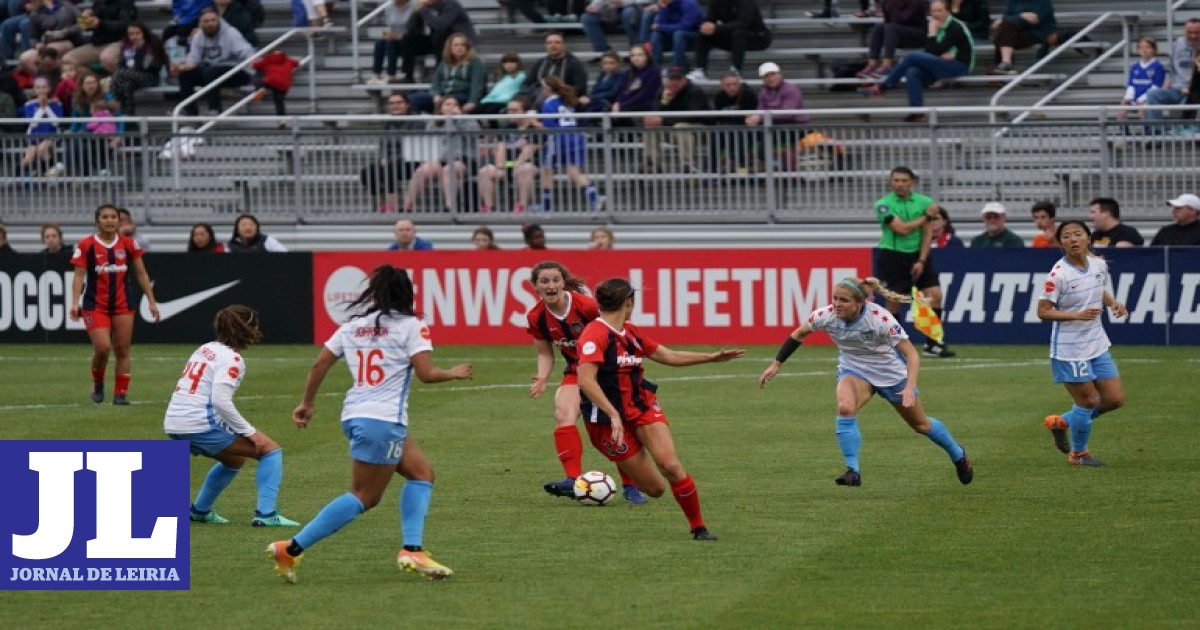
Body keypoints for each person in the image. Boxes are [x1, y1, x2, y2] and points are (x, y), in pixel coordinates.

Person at [268, 265, 473, 583]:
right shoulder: (411, 325)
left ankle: (413, 549)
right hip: (383, 420)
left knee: (422, 473)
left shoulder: (353, 325)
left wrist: (306, 403)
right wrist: (453, 373)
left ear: (374, 293)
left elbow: (320, 363)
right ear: (407, 293)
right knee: (364, 496)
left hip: (356, 415)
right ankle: (291, 549)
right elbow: (426, 374)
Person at [758, 276, 974, 487]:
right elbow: (798, 334)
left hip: (891, 374)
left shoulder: (880, 318)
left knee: (921, 425)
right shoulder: (825, 315)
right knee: (845, 408)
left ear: (860, 302)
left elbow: (912, 355)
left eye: (844, 300)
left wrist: (909, 387)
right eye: (835, 298)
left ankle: (958, 454)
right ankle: (853, 471)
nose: (836, 304)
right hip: (855, 370)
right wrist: (777, 364)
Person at [576, 277, 744, 539]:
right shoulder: (594, 334)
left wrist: (711, 358)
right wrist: (613, 414)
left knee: (671, 466)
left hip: (642, 406)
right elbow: (585, 379)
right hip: (605, 422)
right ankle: (631, 461)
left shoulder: (631, 332)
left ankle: (698, 527)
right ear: (629, 302)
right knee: (655, 489)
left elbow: (667, 355)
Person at [164, 305, 300, 527]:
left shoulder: (205, 348)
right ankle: (266, 515)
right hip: (199, 424)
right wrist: (250, 432)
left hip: (174, 422)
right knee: (270, 451)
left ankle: (200, 510)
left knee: (234, 459)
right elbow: (220, 400)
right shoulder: (232, 359)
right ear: (247, 329)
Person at [525, 262, 645, 504]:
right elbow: (545, 353)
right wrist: (543, 376)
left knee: (613, 425)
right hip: (576, 370)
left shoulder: (586, 306)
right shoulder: (536, 316)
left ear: (563, 282)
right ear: (535, 286)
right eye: (544, 281)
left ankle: (631, 485)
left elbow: (617, 328)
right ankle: (572, 480)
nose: (551, 285)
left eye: (555, 280)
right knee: (564, 413)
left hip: (608, 371)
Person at [1037, 220, 1128, 467]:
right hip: (1071, 350)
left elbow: (1097, 289)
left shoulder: (1098, 264)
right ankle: (1078, 454)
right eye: (1066, 236)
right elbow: (1043, 311)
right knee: (1087, 401)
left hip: (1097, 343)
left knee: (1114, 399)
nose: (1073, 239)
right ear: (1061, 243)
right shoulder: (1058, 274)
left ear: (1088, 238)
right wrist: (1075, 315)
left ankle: (1062, 422)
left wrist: (1113, 303)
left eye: (1078, 234)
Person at [68, 203, 160, 405]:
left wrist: (152, 301)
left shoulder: (129, 244)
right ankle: (98, 383)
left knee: (122, 349)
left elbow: (141, 273)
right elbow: (78, 276)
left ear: (118, 221)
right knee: (102, 347)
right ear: (97, 221)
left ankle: (120, 394)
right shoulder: (86, 245)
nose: (109, 220)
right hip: (95, 305)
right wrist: (75, 303)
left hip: (123, 305)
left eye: (113, 217)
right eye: (105, 217)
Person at [872, 166, 955, 357]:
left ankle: (933, 344)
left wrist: (922, 260)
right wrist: (926, 216)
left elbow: (927, 233)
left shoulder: (924, 202)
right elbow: (901, 229)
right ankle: (893, 345)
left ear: (912, 182)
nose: (900, 184)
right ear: (890, 182)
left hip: (918, 255)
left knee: (935, 295)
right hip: (892, 255)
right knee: (894, 301)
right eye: (896, 180)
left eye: (904, 180)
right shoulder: (883, 204)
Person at [865, 1, 975, 123]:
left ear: (948, 11)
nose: (936, 14)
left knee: (912, 56)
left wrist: (932, 34)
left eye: (940, 11)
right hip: (942, 63)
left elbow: (936, 50)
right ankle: (917, 112)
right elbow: (930, 50)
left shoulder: (955, 27)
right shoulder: (936, 25)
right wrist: (936, 44)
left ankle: (884, 86)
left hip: (960, 66)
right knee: (912, 72)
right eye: (933, 11)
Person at [537, 76, 605, 212]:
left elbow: (549, 126)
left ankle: (546, 206)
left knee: (547, 171)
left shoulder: (549, 103)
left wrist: (533, 121)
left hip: (559, 139)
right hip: (575, 136)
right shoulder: (565, 101)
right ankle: (594, 196)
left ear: (547, 89)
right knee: (574, 171)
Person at [403, 96, 480, 213]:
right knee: (422, 171)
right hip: (440, 159)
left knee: (449, 170)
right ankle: (407, 206)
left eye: (455, 105)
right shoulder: (433, 124)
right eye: (448, 104)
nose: (452, 107)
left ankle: (450, 207)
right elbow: (430, 143)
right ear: (440, 109)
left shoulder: (467, 120)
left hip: (464, 159)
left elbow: (476, 133)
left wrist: (458, 119)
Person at [171, 8, 254, 116]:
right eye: (206, 21)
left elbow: (246, 51)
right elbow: (193, 59)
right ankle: (190, 112)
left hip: (237, 71)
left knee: (210, 72)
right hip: (211, 72)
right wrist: (181, 68)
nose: (210, 24)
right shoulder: (198, 36)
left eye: (213, 20)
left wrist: (253, 63)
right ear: (201, 23)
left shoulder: (230, 33)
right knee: (186, 74)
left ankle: (214, 110)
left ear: (219, 20)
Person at [362, 93, 425, 213]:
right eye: (391, 103)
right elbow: (383, 144)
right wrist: (383, 157)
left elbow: (414, 145)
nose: (395, 106)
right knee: (367, 172)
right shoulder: (387, 122)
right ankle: (382, 205)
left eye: (399, 102)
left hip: (410, 160)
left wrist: (394, 159)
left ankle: (393, 207)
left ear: (407, 105)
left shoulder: (416, 122)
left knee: (390, 169)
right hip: (390, 160)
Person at [643, 64, 709, 175]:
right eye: (671, 78)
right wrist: (664, 102)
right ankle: (652, 164)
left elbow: (693, 116)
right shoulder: (662, 91)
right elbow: (656, 114)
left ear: (685, 79)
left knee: (681, 127)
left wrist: (664, 121)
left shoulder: (695, 91)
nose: (674, 82)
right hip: (674, 129)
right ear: (666, 80)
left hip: (702, 130)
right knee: (651, 127)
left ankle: (688, 165)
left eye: (678, 78)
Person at [477, 96, 540, 213]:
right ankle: (489, 207)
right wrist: (500, 167)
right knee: (485, 171)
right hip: (508, 165)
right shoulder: (506, 128)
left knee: (525, 169)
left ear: (525, 112)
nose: (511, 114)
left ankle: (522, 206)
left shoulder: (535, 129)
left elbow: (529, 150)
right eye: (509, 110)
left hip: (529, 164)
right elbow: (500, 148)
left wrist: (517, 166)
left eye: (515, 110)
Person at [400, 0, 479, 86]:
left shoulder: (451, 5)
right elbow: (411, 28)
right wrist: (416, 10)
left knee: (440, 36)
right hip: (438, 42)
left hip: (460, 42)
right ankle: (408, 76)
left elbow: (440, 26)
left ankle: (441, 75)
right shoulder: (427, 8)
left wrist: (423, 10)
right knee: (408, 39)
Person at [690, 0, 771, 81]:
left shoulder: (746, 2)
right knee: (704, 33)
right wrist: (707, 26)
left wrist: (716, 28)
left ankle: (736, 70)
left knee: (739, 33)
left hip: (758, 37)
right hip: (732, 37)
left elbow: (744, 23)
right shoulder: (716, 2)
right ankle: (700, 70)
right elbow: (710, 19)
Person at [408, 32, 486, 114]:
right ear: (450, 48)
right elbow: (435, 83)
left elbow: (477, 85)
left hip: (463, 95)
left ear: (467, 48)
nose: (459, 48)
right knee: (411, 100)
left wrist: (472, 101)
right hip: (443, 94)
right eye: (456, 45)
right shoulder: (444, 63)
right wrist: (435, 95)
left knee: (447, 101)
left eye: (463, 45)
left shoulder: (475, 63)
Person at [1144, 19, 1200, 128]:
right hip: (1176, 89)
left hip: (1195, 92)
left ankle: (1191, 132)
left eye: (1197, 33)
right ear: (1184, 31)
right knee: (1152, 95)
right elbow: (1170, 66)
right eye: (1189, 32)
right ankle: (1157, 133)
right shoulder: (1178, 44)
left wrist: (1190, 88)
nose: (1193, 36)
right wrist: (1168, 81)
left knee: (1191, 102)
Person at [859, 0, 929, 80]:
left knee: (890, 27)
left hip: (918, 36)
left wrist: (893, 3)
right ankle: (873, 63)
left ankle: (887, 64)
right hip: (898, 34)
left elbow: (900, 19)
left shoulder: (916, 2)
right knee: (878, 28)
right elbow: (887, 21)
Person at [109, 22, 166, 116]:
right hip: (129, 78)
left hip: (149, 76)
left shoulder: (152, 44)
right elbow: (121, 65)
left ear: (144, 33)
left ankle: (117, 103)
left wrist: (140, 50)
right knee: (126, 85)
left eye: (137, 33)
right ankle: (129, 117)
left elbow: (144, 67)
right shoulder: (126, 45)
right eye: (131, 34)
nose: (134, 37)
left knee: (117, 75)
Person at [521, 31, 589, 106]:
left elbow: (580, 87)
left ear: (564, 45)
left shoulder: (574, 64)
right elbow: (526, 84)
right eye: (549, 43)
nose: (553, 45)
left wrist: (557, 93)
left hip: (563, 100)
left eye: (557, 42)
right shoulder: (540, 63)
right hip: (538, 97)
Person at [990, 0, 1057, 75]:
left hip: (1038, 32)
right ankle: (1005, 66)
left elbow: (1034, 20)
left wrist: (1013, 18)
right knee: (1004, 31)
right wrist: (1020, 16)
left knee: (1003, 33)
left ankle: (1005, 65)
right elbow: (1006, 17)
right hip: (1016, 31)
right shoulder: (1012, 2)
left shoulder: (1042, 2)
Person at [711, 70, 756, 172]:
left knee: (739, 136)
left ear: (739, 84)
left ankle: (742, 172)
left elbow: (749, 117)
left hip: (746, 130)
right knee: (714, 135)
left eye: (735, 84)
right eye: (728, 85)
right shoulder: (719, 97)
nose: (732, 88)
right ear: (722, 86)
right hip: (726, 128)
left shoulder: (748, 95)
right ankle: (713, 171)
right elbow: (718, 117)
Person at [1116, 37, 1166, 125]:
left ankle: (1146, 131)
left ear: (1154, 49)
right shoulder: (1135, 66)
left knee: (1143, 109)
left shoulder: (1157, 66)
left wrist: (1143, 98)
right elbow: (1131, 84)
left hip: (1148, 98)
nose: (1144, 50)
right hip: (1135, 97)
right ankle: (1124, 131)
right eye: (1141, 47)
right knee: (1121, 109)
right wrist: (1128, 97)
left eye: (1147, 47)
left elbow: (1156, 86)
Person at [20, 76, 62, 177]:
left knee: (42, 148)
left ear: (49, 88)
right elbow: (33, 123)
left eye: (44, 87)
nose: (41, 90)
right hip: (33, 136)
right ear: (34, 89)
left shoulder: (57, 104)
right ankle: (20, 176)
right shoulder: (28, 105)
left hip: (51, 135)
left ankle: (49, 172)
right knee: (29, 155)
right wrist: (42, 108)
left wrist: (46, 106)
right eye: (38, 87)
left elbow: (55, 122)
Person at [644, 0, 703, 69]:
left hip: (693, 38)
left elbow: (686, 26)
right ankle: (654, 68)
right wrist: (663, 9)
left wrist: (661, 27)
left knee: (679, 34)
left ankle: (677, 67)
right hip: (674, 38)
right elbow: (660, 25)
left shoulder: (689, 3)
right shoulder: (666, 5)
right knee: (656, 35)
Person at [367, 0, 414, 85]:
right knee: (379, 42)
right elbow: (389, 27)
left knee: (390, 43)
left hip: (408, 40)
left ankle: (391, 74)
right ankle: (376, 74)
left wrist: (399, 36)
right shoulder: (389, 7)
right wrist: (386, 34)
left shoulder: (413, 6)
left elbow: (415, 28)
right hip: (394, 37)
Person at [580, 0, 648, 54]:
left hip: (632, 7)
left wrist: (623, 2)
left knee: (628, 13)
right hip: (608, 9)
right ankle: (603, 53)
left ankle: (635, 51)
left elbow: (644, 1)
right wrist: (593, 6)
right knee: (587, 18)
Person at [612, 44, 661, 118]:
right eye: (633, 55)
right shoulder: (628, 73)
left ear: (646, 57)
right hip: (628, 104)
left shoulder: (653, 72)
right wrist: (617, 103)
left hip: (645, 105)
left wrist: (622, 105)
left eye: (640, 55)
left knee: (623, 112)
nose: (636, 58)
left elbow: (644, 94)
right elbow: (622, 91)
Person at [251, 50, 299, 123]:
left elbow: (255, 66)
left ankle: (261, 90)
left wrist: (252, 61)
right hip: (284, 84)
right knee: (279, 102)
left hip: (272, 80)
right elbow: (297, 63)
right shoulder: (288, 60)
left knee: (262, 80)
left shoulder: (267, 60)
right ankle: (282, 120)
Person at [474, 51, 525, 117]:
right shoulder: (501, 78)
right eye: (506, 62)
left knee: (491, 110)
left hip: (504, 102)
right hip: (490, 101)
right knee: (475, 110)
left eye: (512, 62)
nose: (509, 65)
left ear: (518, 63)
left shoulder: (521, 76)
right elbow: (495, 92)